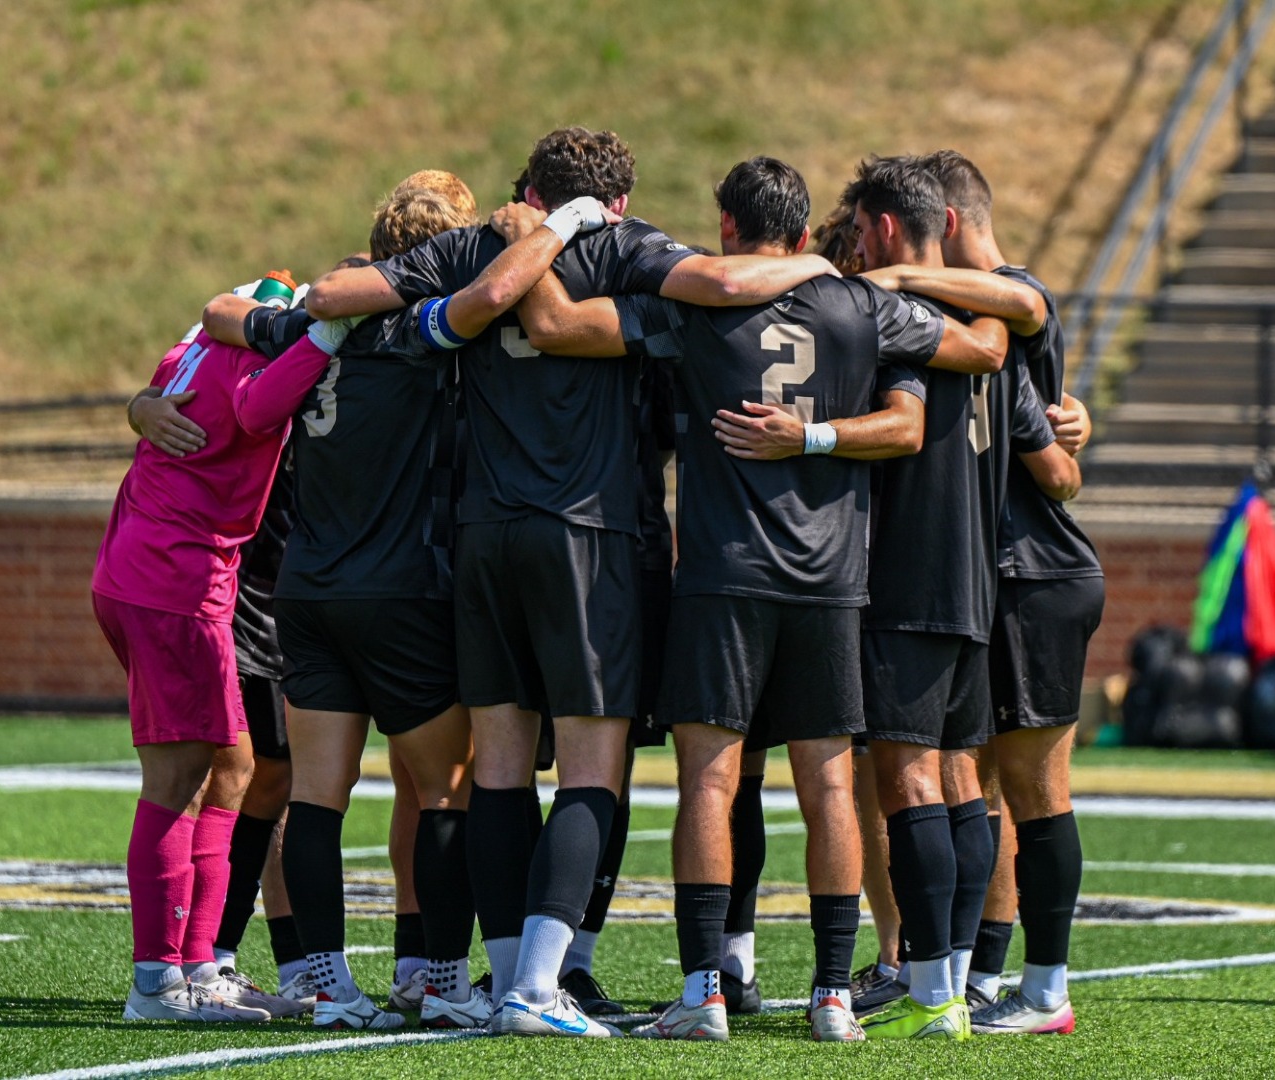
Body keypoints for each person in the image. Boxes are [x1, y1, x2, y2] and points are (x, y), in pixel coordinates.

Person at [305, 127, 839, 1039]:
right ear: (615, 201)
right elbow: (719, 283)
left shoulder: (482, 243)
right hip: (589, 537)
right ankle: (540, 986)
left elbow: (331, 291)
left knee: (502, 768)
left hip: (482, 538)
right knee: (595, 767)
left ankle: (506, 973)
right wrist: (824, 261)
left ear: (531, 191)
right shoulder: (622, 244)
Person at [511, 154, 1006, 1043]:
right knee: (825, 785)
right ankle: (830, 996)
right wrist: (829, 415)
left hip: (722, 575)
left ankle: (703, 990)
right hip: (830, 584)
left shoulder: (698, 304)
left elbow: (557, 328)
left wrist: (533, 238)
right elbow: (978, 350)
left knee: (708, 778)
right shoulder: (861, 305)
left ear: (729, 228)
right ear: (804, 223)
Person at [201, 185, 623, 1032]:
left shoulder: (311, 329)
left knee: (318, 794)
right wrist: (564, 222)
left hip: (308, 590)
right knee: (448, 793)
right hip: (401, 592)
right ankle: (434, 976)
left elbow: (220, 315)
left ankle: (327, 983)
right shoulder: (423, 332)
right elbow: (492, 298)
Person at [862, 148, 1096, 1036]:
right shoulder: (962, 323)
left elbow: (1025, 306)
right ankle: (967, 972)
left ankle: (1033, 988)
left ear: (943, 227)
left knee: (1023, 789)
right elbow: (1060, 460)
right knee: (972, 781)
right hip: (991, 570)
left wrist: (886, 279)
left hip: (1026, 570)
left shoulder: (999, 295)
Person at [96, 272, 308, 1023]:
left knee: (233, 766)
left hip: (156, 569)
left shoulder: (191, 348)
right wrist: (328, 336)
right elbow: (256, 402)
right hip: (175, 578)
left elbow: (175, 370)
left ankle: (198, 965)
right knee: (182, 773)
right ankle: (160, 979)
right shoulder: (256, 348)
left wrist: (139, 408)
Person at [838, 157, 1012, 1042]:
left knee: (906, 781)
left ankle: (932, 992)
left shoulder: (898, 313)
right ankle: (971, 982)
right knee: (959, 782)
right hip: (975, 579)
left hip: (911, 573)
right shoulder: (995, 306)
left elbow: (904, 422)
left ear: (887, 227)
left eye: (862, 228)